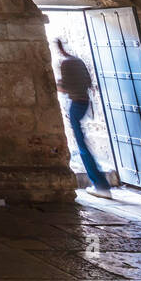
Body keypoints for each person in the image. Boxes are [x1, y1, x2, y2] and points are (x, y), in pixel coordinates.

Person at [54, 37, 113, 198]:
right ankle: (100, 182)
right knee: (82, 145)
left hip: (77, 104)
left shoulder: (66, 64)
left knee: (82, 146)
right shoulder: (78, 61)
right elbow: (87, 82)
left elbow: (65, 87)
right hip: (85, 101)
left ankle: (100, 185)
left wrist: (55, 86)